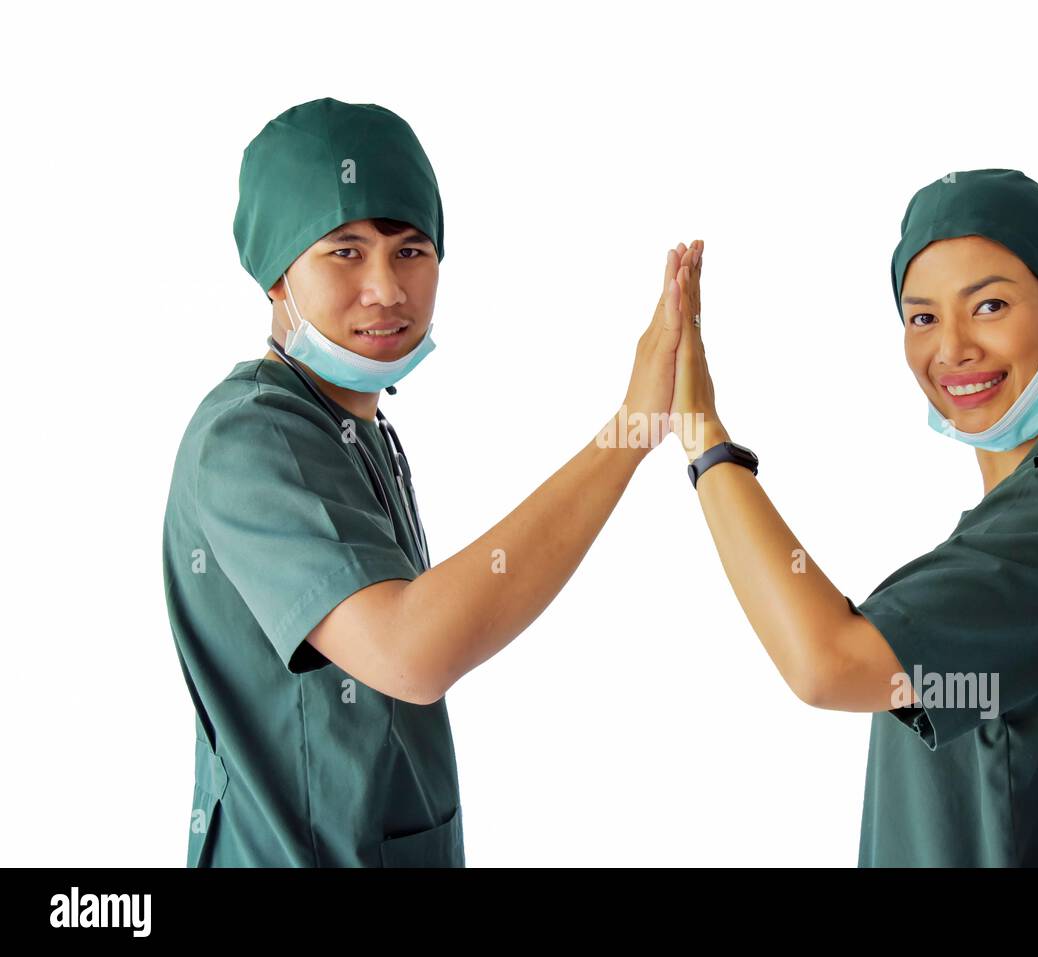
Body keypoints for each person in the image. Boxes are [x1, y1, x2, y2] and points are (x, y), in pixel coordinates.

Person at [162, 97, 695, 866]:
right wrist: (627, 434)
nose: (387, 288)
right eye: (345, 251)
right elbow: (412, 650)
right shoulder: (249, 439)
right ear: (278, 273)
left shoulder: (360, 432)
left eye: (411, 250)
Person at [666, 169, 1038, 866]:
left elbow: (827, 660)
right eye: (923, 316)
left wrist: (703, 436)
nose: (953, 348)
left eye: (990, 305)